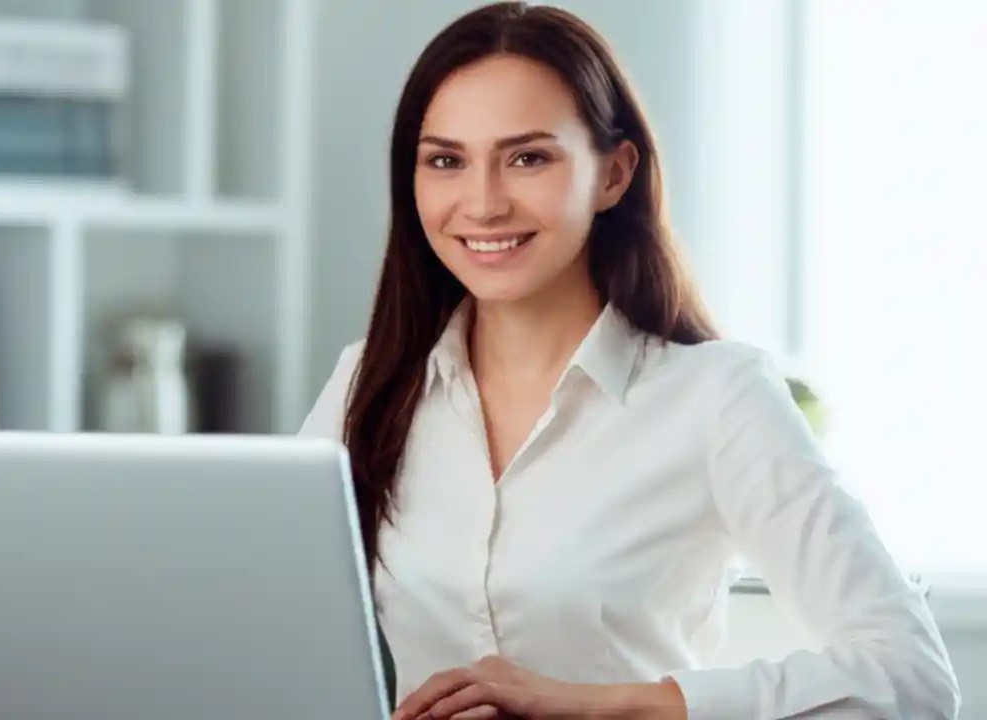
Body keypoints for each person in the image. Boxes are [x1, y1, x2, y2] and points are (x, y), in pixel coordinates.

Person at [297, 3, 961, 718]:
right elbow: (261, 622)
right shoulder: (369, 384)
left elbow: (912, 678)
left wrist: (597, 706)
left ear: (613, 174)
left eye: (528, 157)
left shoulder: (717, 398)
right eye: (446, 161)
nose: (483, 204)